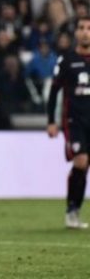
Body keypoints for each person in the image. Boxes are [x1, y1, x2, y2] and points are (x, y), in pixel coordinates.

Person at [46, 16, 90, 229]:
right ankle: (71, 210)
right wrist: (51, 121)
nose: (85, 32)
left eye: (89, 28)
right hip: (73, 120)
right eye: (81, 28)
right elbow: (54, 91)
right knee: (81, 161)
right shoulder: (67, 60)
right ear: (76, 33)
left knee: (84, 166)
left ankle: (75, 209)